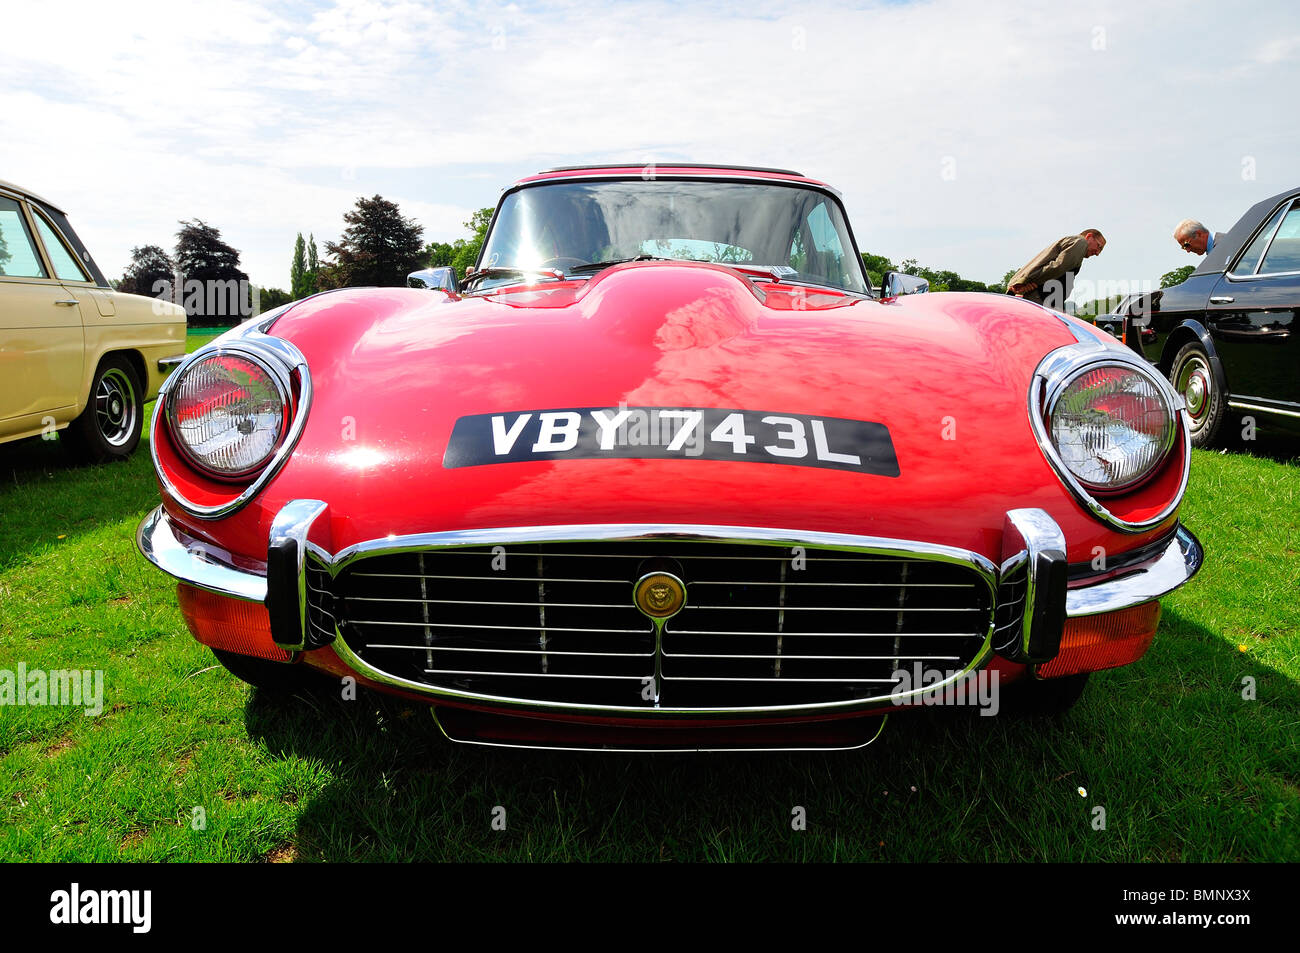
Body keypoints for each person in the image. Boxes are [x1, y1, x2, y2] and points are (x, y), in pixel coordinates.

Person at [1006, 228, 1106, 310]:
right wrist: (1025, 283)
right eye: (1099, 246)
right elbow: (1058, 267)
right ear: (1089, 236)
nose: (1097, 253)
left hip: (1047, 299)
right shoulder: (1081, 242)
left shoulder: (1075, 243)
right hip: (1043, 298)